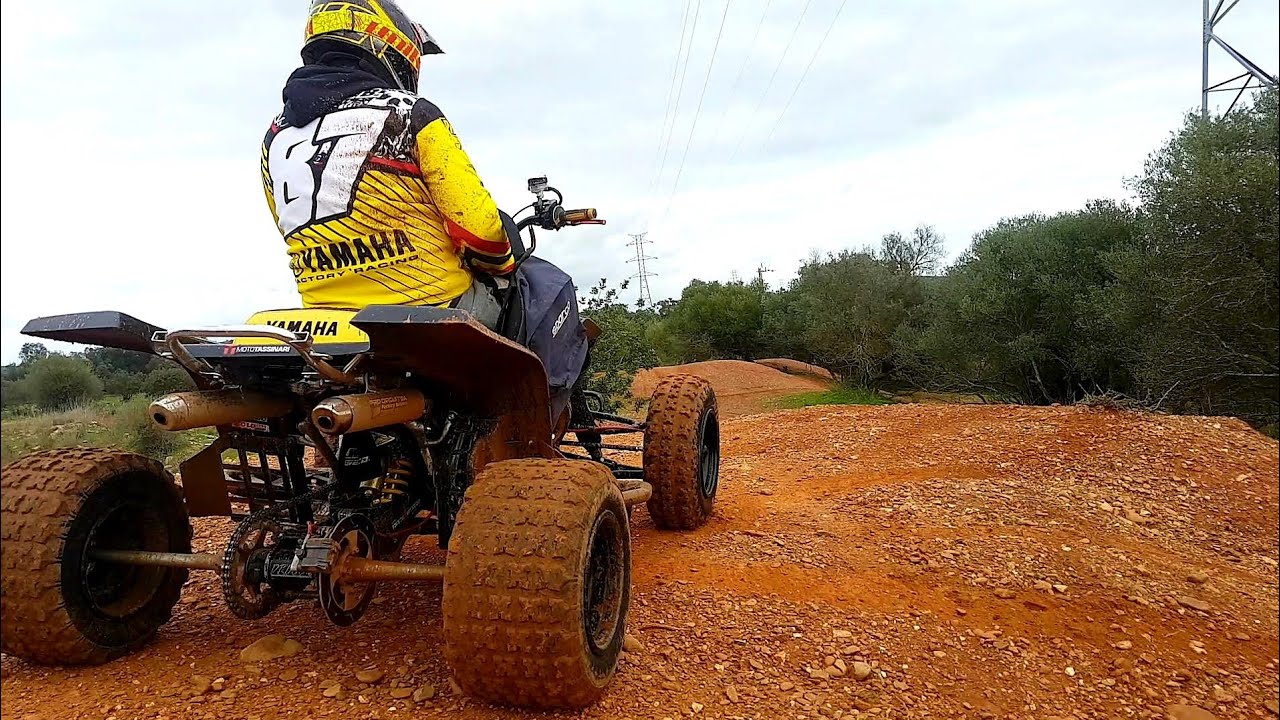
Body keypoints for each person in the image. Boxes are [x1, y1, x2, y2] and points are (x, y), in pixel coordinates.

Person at [260, 0, 510, 329]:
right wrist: (503, 260)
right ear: (389, 43)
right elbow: (481, 235)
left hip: (325, 321)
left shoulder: (274, 136)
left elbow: (287, 225)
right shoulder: (411, 114)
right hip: (429, 307)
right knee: (534, 288)